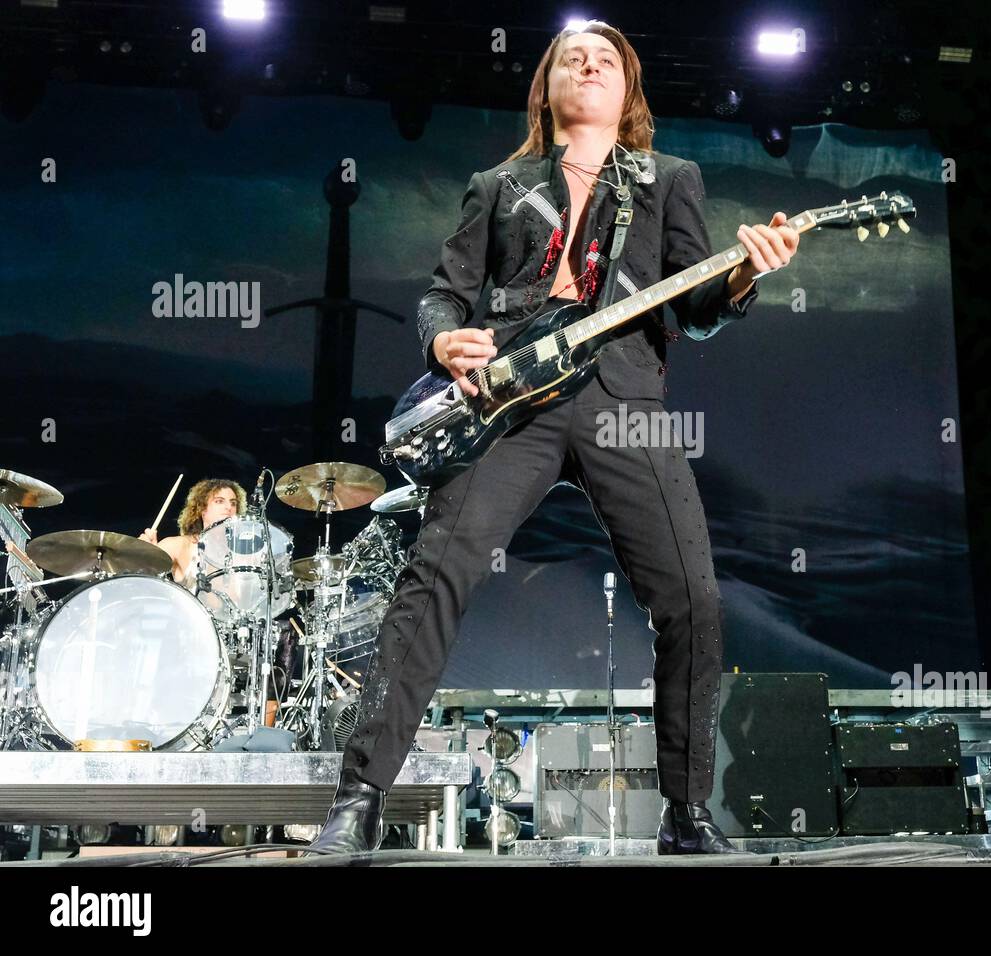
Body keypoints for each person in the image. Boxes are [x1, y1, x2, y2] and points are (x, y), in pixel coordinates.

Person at [311, 20, 800, 855]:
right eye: (572, 57)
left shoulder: (668, 179)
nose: (589, 63)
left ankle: (686, 814)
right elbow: (444, 295)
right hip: (512, 403)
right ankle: (358, 800)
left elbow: (695, 306)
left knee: (694, 600)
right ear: (547, 88)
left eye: (607, 58)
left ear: (628, 92)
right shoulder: (497, 185)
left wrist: (746, 272)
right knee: (433, 578)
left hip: (626, 400)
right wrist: (440, 341)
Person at [139, 479, 245, 587]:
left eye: (233, 503)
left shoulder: (243, 554)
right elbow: (141, 574)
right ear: (202, 509)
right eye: (219, 501)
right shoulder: (180, 545)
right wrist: (143, 554)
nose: (229, 507)